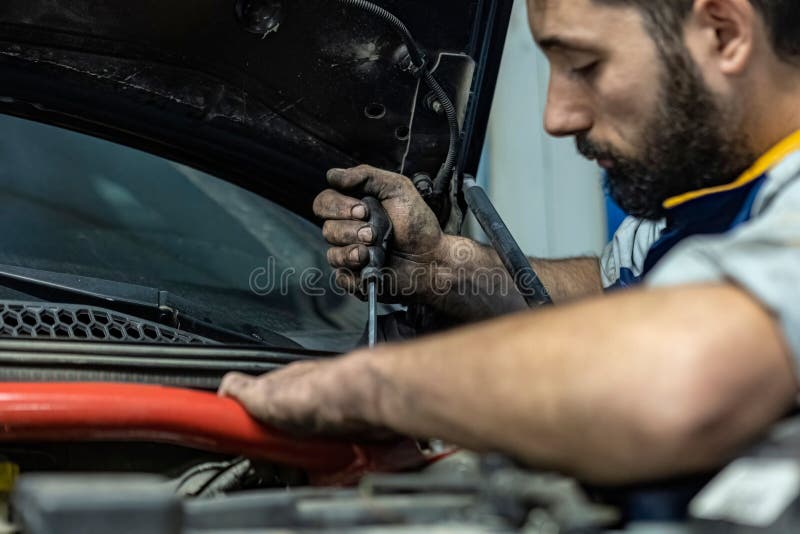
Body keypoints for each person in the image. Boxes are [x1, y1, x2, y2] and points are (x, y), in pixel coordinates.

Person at [219, 0, 800, 484]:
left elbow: (685, 375)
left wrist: (366, 385)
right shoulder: (700, 191)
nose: (557, 115)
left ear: (724, 32)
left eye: (586, 64)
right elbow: (616, 304)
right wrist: (441, 265)